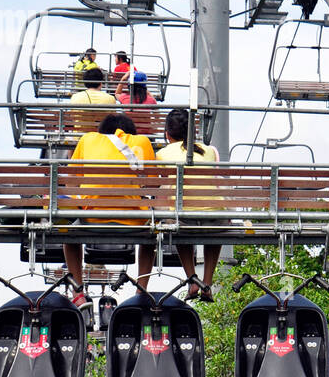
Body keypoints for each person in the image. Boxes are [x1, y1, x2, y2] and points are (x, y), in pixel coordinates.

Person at [63, 112, 157, 305]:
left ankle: (78, 292)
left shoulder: (88, 139)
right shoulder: (142, 142)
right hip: (134, 220)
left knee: (69, 236)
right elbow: (153, 183)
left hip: (92, 218)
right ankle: (141, 290)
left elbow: (71, 179)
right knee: (151, 237)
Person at [156, 108, 222, 301]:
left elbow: (161, 184)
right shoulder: (209, 151)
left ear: (167, 133)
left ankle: (192, 279)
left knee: (177, 220)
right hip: (214, 218)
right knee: (216, 226)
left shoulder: (162, 154)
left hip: (182, 217)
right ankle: (206, 283)